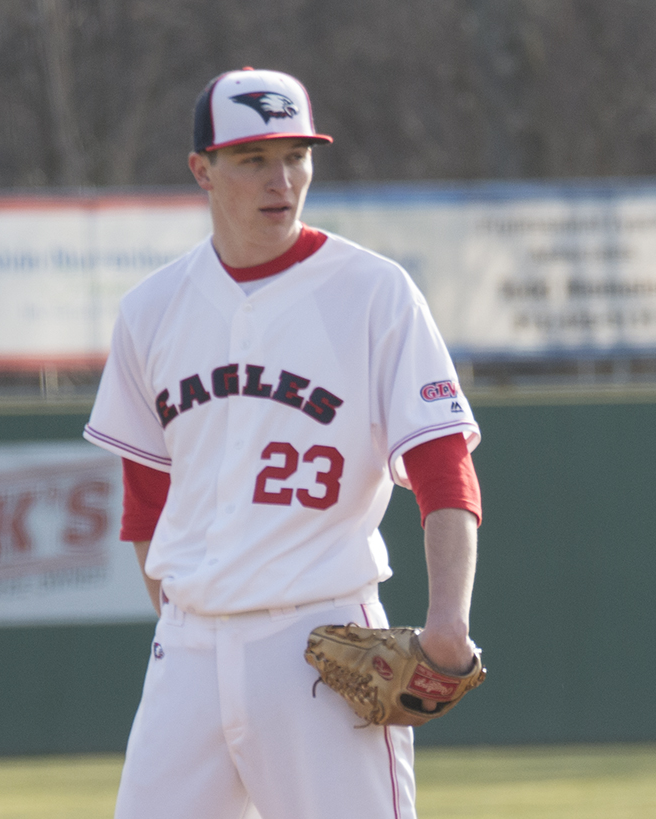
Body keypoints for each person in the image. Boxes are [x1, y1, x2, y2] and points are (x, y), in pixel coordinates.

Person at [84, 67, 483, 819]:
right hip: (187, 652)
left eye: (297, 156)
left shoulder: (374, 292)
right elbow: (146, 504)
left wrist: (448, 622)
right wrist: (185, 621)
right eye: (254, 159)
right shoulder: (151, 310)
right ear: (202, 169)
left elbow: (444, 466)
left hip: (320, 639)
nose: (282, 179)